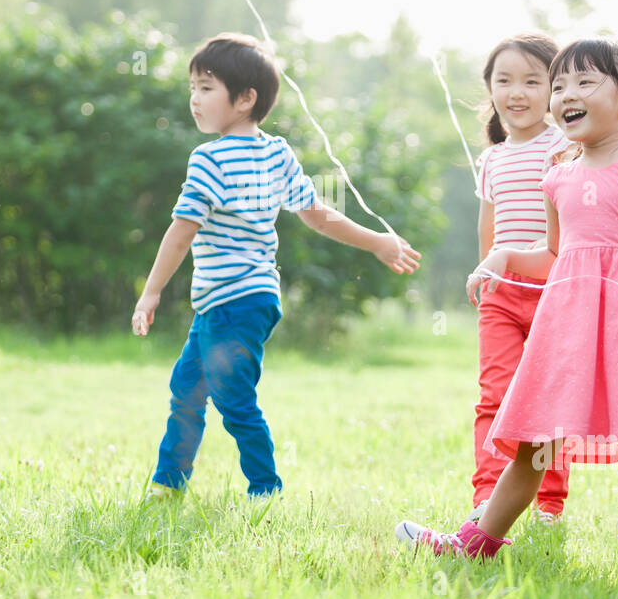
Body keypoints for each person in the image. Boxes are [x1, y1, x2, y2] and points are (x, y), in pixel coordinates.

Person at [396, 37, 618, 573]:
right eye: (559, 84)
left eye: (585, 82)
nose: (567, 93)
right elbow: (557, 256)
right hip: (568, 323)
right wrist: (503, 257)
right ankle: (476, 543)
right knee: (534, 441)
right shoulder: (558, 175)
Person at [133, 32, 421, 498]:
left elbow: (181, 230)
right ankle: (168, 482)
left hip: (231, 301)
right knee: (187, 388)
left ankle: (265, 489)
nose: (194, 99)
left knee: (233, 399)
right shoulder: (277, 152)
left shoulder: (207, 159)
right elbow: (319, 216)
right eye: (192, 88)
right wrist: (376, 243)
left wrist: (151, 292)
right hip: (250, 300)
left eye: (206, 88)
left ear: (246, 98)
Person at [470, 33, 573, 524]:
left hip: (557, 293)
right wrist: (484, 270)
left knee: (549, 400)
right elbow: (489, 228)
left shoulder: (567, 148)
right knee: (495, 396)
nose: (518, 92)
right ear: (489, 88)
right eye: (504, 80)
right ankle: (487, 497)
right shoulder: (491, 159)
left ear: (555, 89)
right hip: (503, 296)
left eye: (534, 80)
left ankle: (548, 502)